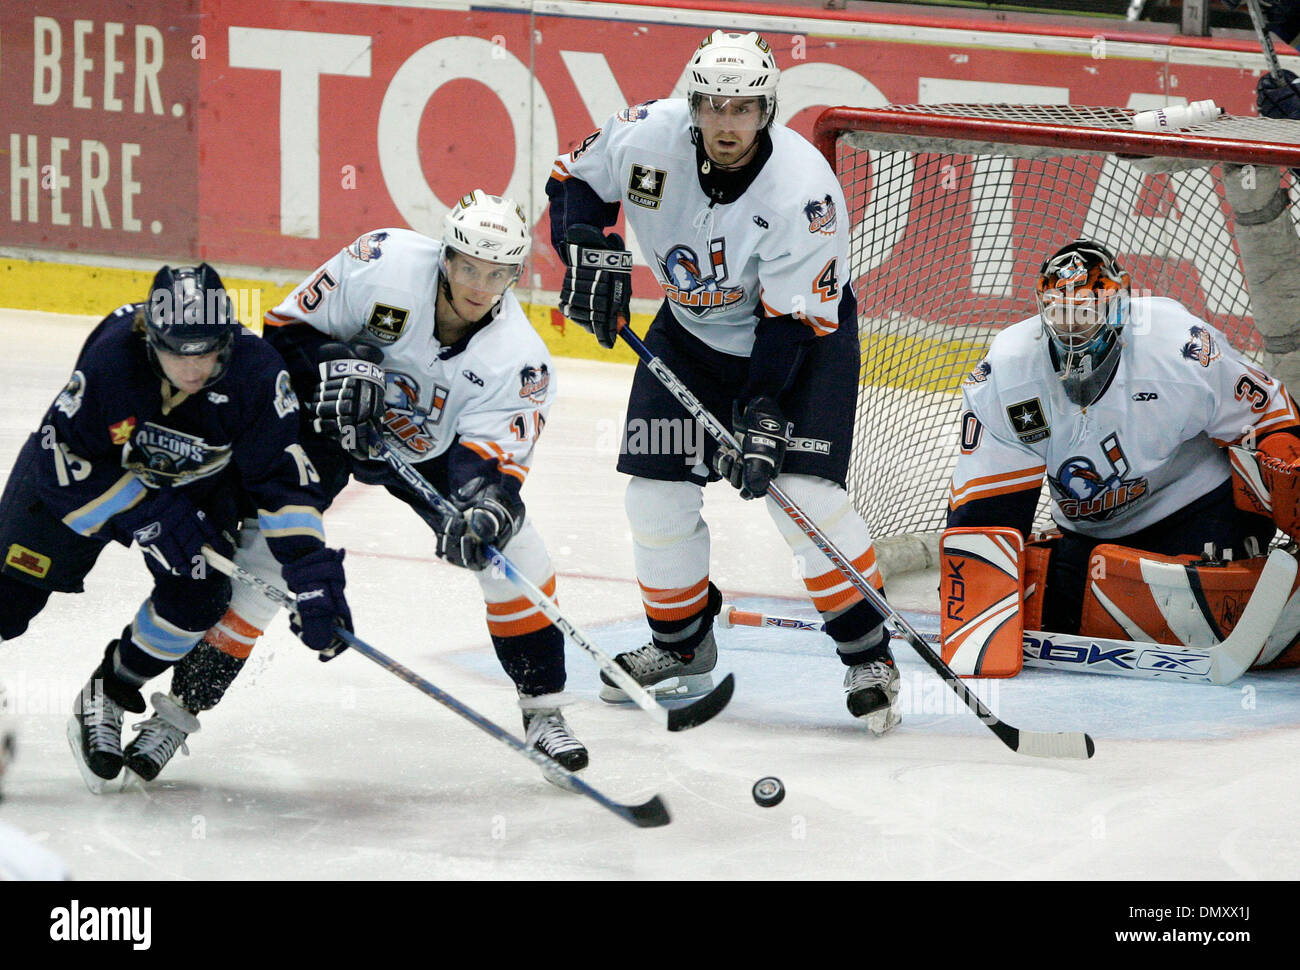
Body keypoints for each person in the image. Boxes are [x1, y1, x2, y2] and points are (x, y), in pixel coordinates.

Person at [128, 191, 588, 780]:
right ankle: (176, 714)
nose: (478, 285)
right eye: (468, 266)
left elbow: (489, 469)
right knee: (268, 557)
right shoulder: (381, 260)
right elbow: (281, 336)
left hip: (432, 452)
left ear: (515, 275)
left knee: (512, 552)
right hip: (331, 426)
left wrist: (484, 510)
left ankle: (544, 711)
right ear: (445, 256)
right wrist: (334, 362)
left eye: (496, 274)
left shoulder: (520, 359)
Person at [545, 29, 902, 734]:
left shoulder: (803, 194)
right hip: (690, 336)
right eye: (713, 106)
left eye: (743, 109)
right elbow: (575, 179)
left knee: (800, 497)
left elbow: (792, 324)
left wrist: (762, 412)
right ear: (694, 104)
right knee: (654, 497)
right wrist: (583, 245)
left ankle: (870, 654)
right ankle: (682, 642)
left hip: (801, 346)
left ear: (766, 110)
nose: (727, 123)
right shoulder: (647, 135)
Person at [0, 264, 352, 792]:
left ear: (228, 337)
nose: (191, 368)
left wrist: (309, 568)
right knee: (7, 599)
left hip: (193, 492)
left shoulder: (258, 375)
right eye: (176, 352)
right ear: (149, 336)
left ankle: (110, 691)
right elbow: (61, 459)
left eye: (206, 351)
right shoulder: (113, 355)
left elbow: (280, 483)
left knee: (199, 599)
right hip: (83, 483)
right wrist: (149, 515)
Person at [947, 239, 1300, 652]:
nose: (1074, 330)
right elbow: (989, 505)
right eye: (1061, 314)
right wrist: (971, 595)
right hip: (1091, 532)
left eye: (1087, 313)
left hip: (1194, 508)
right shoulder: (1007, 370)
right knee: (1046, 609)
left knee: (1207, 612)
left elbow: (1269, 415)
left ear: (1120, 303)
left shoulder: (1179, 347)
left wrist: (1284, 460)